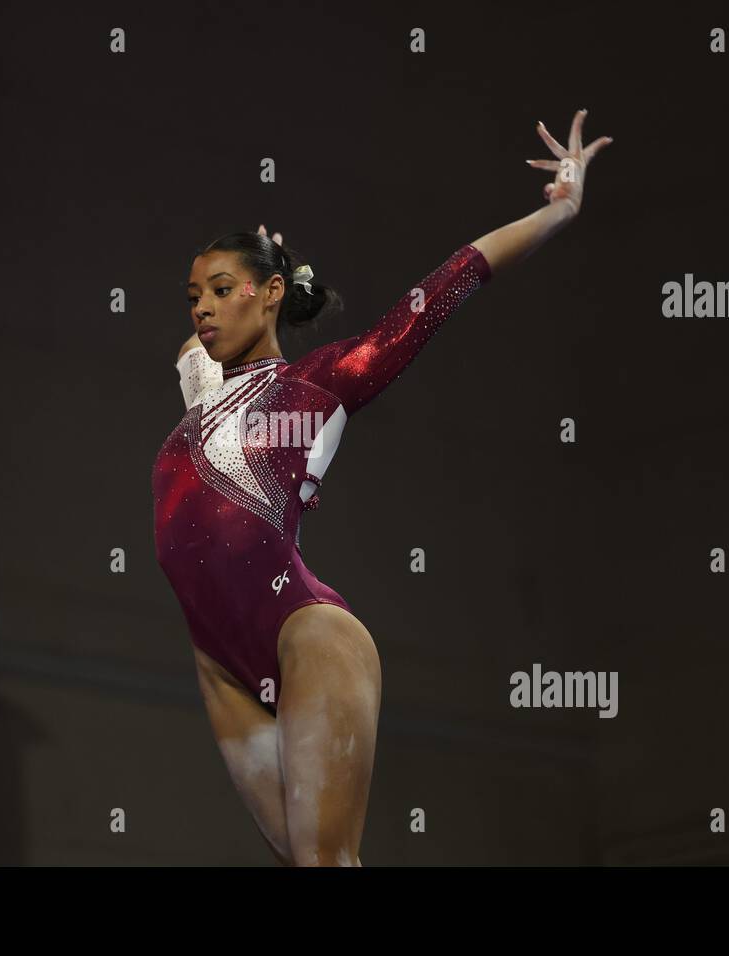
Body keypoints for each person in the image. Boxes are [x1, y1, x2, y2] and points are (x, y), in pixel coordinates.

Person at [153, 110, 612, 866]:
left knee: (330, 864)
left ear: (269, 295)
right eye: (192, 293)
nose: (200, 306)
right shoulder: (201, 391)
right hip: (216, 660)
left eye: (221, 289)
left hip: (306, 634)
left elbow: (445, 287)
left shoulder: (319, 381)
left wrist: (557, 209)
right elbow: (197, 346)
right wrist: (264, 264)